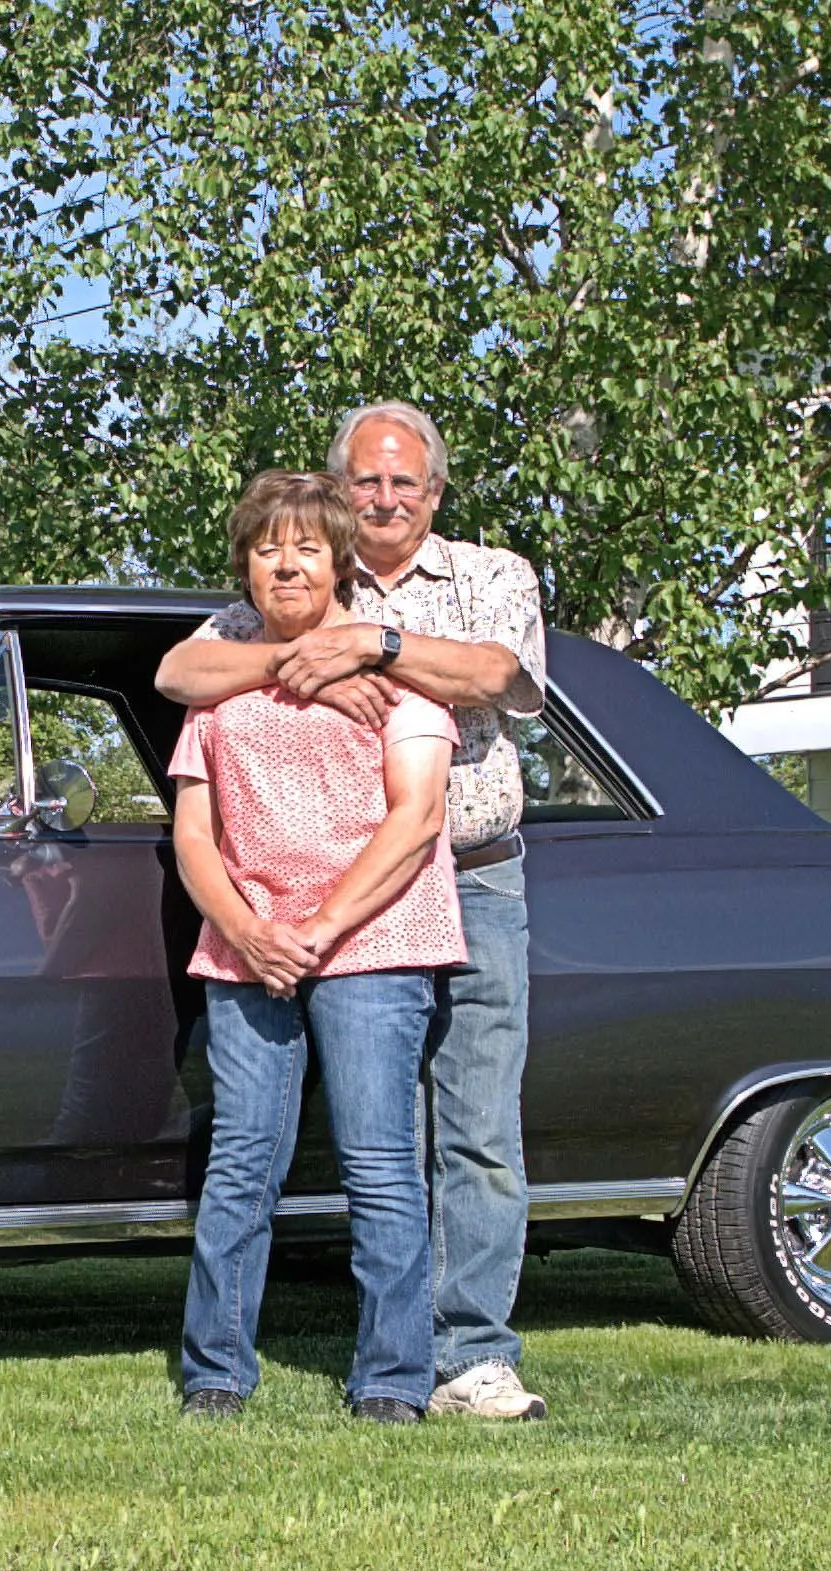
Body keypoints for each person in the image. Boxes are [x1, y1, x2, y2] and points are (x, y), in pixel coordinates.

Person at [157, 403, 548, 1421]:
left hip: (454, 877)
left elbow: (496, 679)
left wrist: (368, 647)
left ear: (434, 490)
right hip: (284, 918)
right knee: (322, 1147)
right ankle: (244, 1368)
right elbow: (177, 673)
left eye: (403, 482)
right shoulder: (265, 613)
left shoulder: (486, 578)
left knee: (469, 1131)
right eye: (365, 483)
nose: (384, 498)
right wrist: (308, 668)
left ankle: (466, 1358)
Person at [170, 470, 463, 1424]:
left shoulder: (398, 673)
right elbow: (192, 834)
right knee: (242, 1162)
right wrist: (251, 931)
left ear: (339, 560)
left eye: (304, 547)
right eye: (265, 547)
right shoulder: (218, 676)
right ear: (245, 568)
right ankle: (214, 1371)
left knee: (379, 1166)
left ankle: (391, 1378)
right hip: (248, 947)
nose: (285, 564)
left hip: (374, 940)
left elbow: (417, 819)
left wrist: (322, 928)